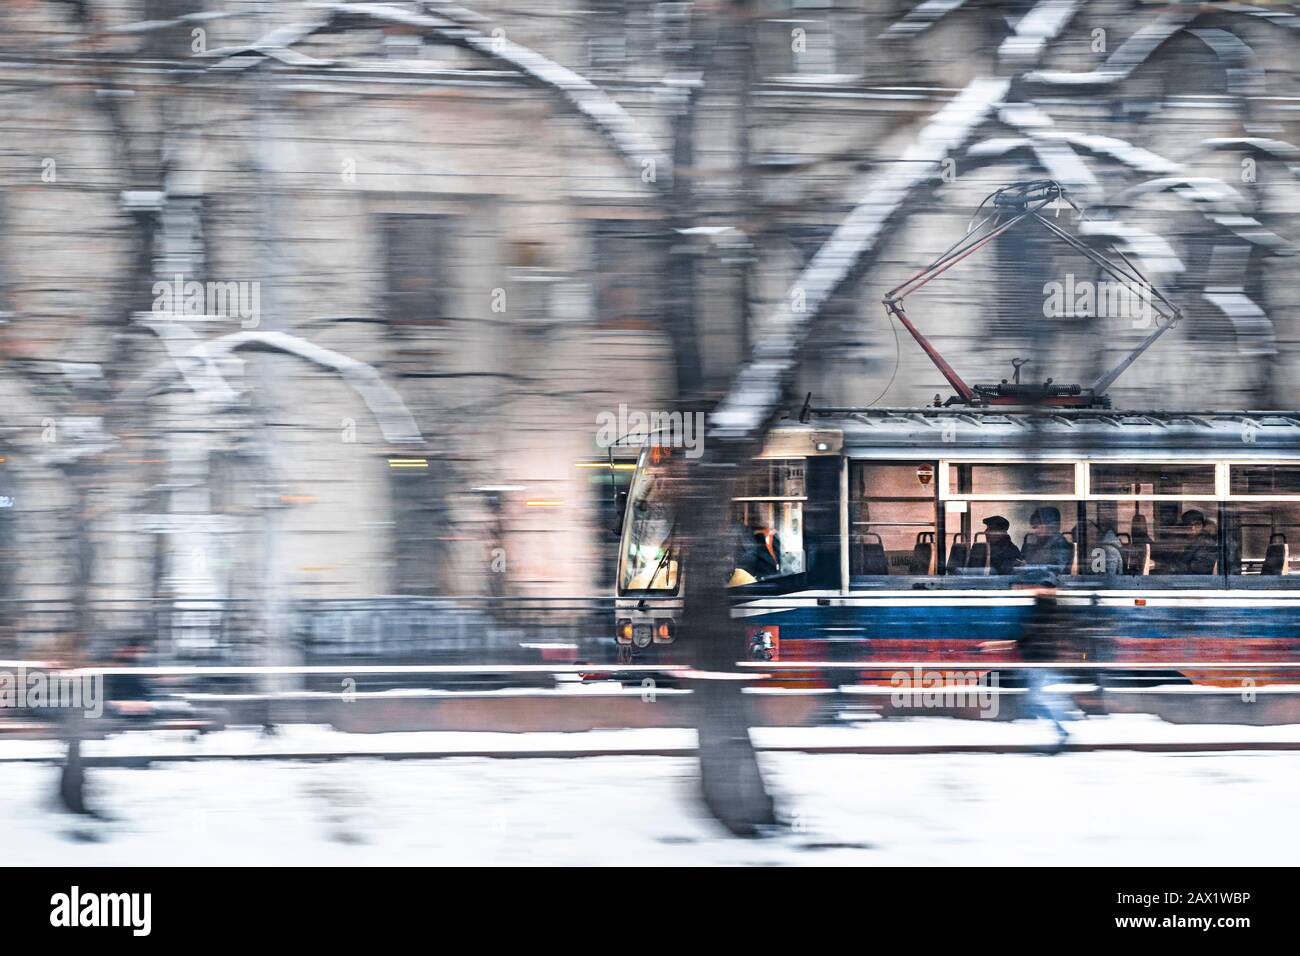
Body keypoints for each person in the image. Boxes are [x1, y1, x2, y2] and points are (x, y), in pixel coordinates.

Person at [1022, 506, 1073, 572]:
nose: (1035, 531)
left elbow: (1058, 569)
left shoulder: (1060, 544)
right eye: (1034, 527)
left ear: (1050, 525)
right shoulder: (1043, 542)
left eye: (1037, 527)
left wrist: (1028, 567)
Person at [1173, 509, 1217, 574]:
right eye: (1189, 524)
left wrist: (1168, 566)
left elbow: (1198, 569)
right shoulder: (1183, 539)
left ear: (1203, 526)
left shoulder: (1208, 545)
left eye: (1197, 524)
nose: (1192, 528)